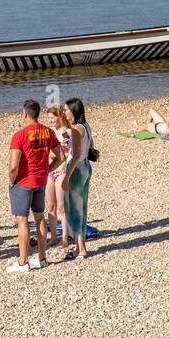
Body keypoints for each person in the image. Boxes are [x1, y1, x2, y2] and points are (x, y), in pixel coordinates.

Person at [6, 100, 63, 273]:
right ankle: (42, 257)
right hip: (40, 181)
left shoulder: (20, 135)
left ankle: (23, 262)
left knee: (22, 220)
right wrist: (46, 170)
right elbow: (60, 157)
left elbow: (13, 166)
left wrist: (11, 180)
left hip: (23, 181)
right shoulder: (48, 132)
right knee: (40, 218)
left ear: (24, 114)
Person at [61, 98, 94, 260]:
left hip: (76, 169)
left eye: (66, 110)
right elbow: (90, 145)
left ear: (73, 111)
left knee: (74, 209)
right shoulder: (86, 126)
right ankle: (81, 245)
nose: (64, 112)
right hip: (86, 166)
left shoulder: (75, 129)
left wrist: (66, 176)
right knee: (82, 206)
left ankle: (80, 248)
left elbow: (74, 156)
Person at [44, 105, 73, 244]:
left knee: (61, 206)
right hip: (51, 171)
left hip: (61, 170)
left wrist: (53, 155)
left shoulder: (65, 133)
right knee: (50, 206)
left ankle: (64, 238)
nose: (50, 121)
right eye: (49, 118)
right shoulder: (50, 132)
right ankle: (54, 236)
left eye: (52, 118)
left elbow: (68, 152)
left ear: (60, 117)